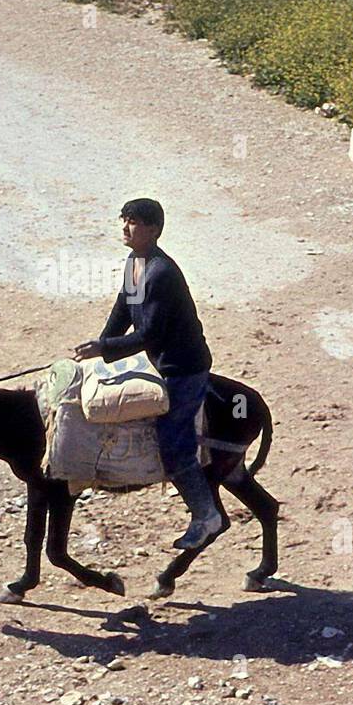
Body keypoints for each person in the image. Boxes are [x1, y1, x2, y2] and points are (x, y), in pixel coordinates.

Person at [74, 198, 223, 551]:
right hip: (160, 362)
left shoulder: (161, 273)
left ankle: (206, 515)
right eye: (123, 220)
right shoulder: (135, 263)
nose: (126, 228)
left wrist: (105, 349)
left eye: (134, 222)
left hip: (182, 369)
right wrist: (99, 345)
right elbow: (123, 308)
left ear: (154, 229)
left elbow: (150, 334)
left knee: (174, 443)